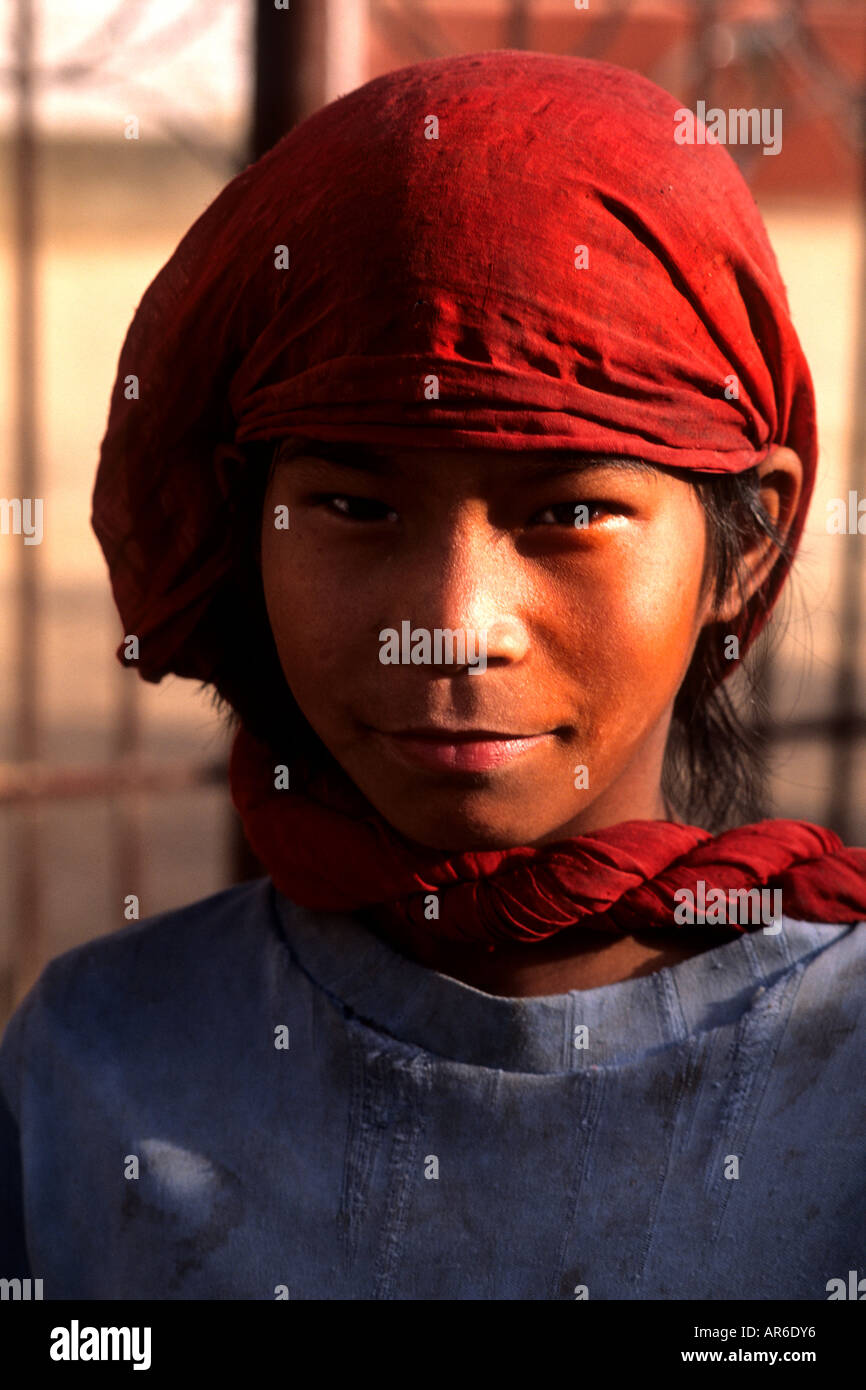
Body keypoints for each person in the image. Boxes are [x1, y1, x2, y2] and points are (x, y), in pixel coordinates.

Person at [1, 50, 864, 1301]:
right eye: (352, 506)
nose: (453, 627)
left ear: (747, 548)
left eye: (566, 512)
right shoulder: (94, 1064)